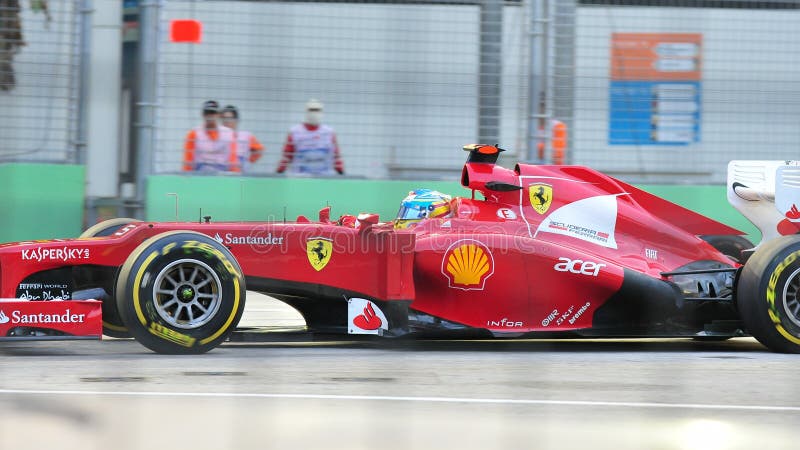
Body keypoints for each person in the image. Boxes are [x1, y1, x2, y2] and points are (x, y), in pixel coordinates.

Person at [276, 98, 344, 176]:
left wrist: (341, 172)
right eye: (311, 110)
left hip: (324, 177)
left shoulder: (328, 132)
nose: (314, 113)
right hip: (301, 178)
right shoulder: (295, 132)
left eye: (317, 110)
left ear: (322, 112)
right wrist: (279, 172)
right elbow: (287, 156)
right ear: (306, 112)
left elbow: (336, 156)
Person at [182, 100, 239, 173]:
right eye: (207, 113)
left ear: (219, 115)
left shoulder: (229, 134)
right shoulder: (193, 134)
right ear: (203, 115)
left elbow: (233, 160)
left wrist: (235, 177)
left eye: (213, 113)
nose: (210, 116)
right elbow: (188, 161)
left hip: (222, 174)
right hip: (200, 174)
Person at [220, 105, 265, 173]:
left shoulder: (245, 136)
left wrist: (248, 163)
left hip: (239, 175)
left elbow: (259, 150)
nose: (226, 122)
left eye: (229, 119)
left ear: (236, 120)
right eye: (224, 119)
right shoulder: (218, 137)